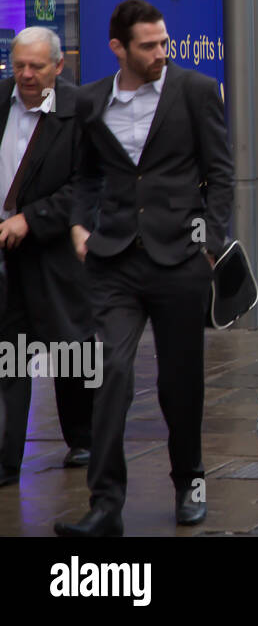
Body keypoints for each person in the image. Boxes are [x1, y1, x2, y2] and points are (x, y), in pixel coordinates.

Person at [57, 0, 234, 537]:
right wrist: (80, 227)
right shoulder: (90, 102)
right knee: (109, 372)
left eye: (164, 42)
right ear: (119, 49)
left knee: (179, 384)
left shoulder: (197, 92)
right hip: (113, 260)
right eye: (149, 45)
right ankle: (105, 504)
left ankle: (190, 480)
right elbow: (84, 176)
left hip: (179, 259)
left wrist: (209, 241)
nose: (162, 52)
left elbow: (221, 176)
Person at [0, 29, 94, 489]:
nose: (26, 75)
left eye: (36, 66)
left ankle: (85, 437)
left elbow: (86, 186)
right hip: (4, 255)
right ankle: (5, 460)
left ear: (59, 66)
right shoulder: (3, 100)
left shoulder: (79, 112)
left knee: (70, 349)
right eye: (19, 65)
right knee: (10, 356)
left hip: (56, 253)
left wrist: (31, 220)